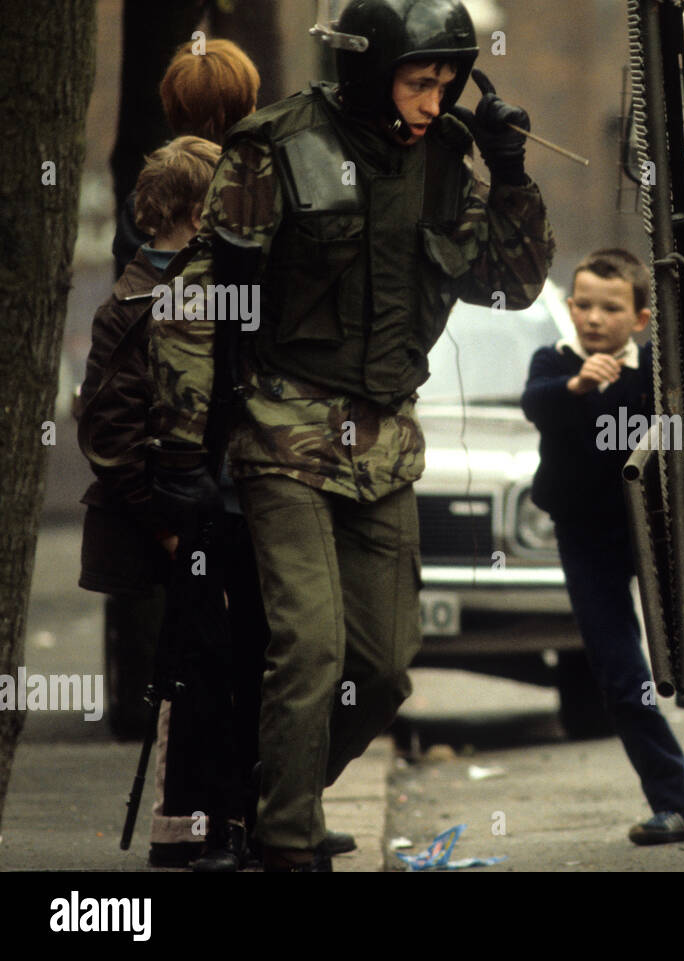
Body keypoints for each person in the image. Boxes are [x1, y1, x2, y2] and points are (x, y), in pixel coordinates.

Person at [148, 0, 554, 872]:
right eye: (419, 81)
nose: (434, 100)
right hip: (283, 431)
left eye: (447, 83)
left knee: (383, 665)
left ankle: (265, 797)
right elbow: (202, 295)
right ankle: (288, 839)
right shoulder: (277, 144)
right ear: (371, 75)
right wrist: (182, 448)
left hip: (385, 444)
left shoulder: (448, 162)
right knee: (312, 645)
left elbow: (514, 287)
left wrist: (511, 173)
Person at [78, 136, 271, 872]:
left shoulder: (205, 284)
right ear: (200, 209)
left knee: (230, 665)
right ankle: (205, 828)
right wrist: (160, 520)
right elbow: (109, 425)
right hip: (185, 515)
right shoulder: (139, 303)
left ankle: (228, 825)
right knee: (202, 673)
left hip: (225, 505)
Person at [522, 249, 684, 845]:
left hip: (650, 528)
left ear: (642, 318)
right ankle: (673, 805)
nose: (595, 318)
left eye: (611, 307)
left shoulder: (652, 369)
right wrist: (578, 386)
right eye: (585, 305)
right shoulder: (555, 365)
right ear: (569, 307)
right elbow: (538, 405)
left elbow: (676, 425)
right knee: (621, 673)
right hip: (586, 536)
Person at [112, 38, 261, 277]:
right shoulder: (268, 182)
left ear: (171, 109)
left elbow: (132, 291)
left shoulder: (147, 198)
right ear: (248, 107)